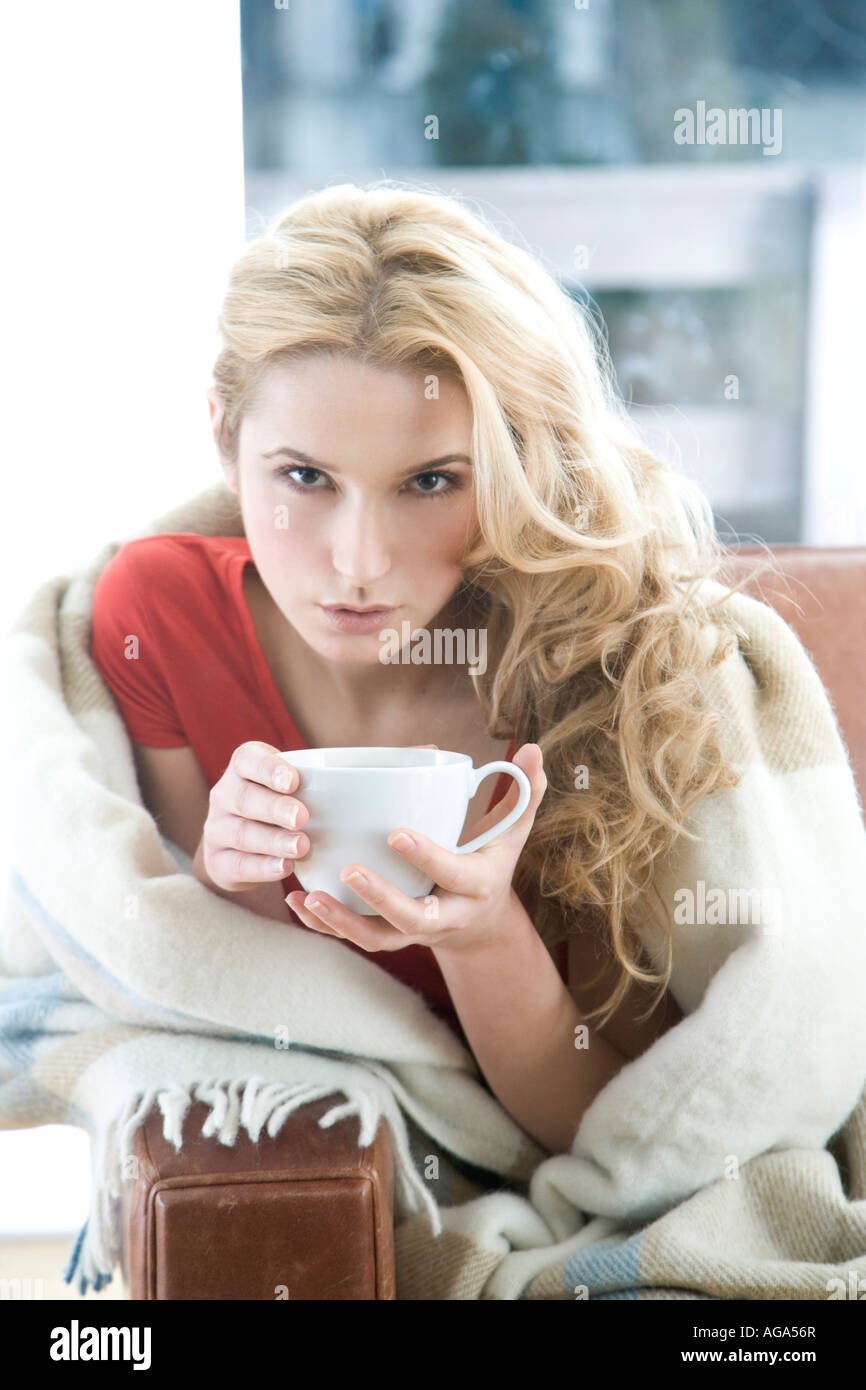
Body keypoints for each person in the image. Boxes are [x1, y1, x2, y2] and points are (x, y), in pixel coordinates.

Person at [89, 180, 769, 1155]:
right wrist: (216, 871)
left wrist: (484, 935)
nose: (357, 562)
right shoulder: (158, 611)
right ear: (224, 441)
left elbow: (619, 1131)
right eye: (304, 477)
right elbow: (201, 982)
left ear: (510, 469)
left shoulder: (581, 665)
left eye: (429, 482)